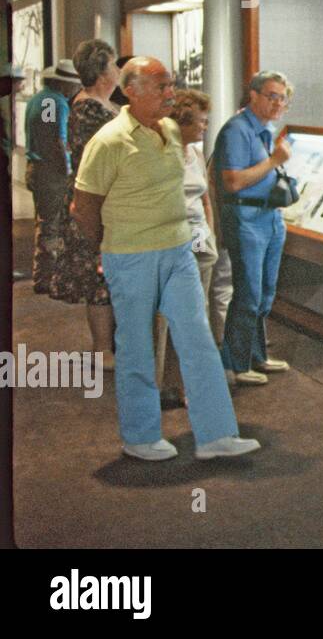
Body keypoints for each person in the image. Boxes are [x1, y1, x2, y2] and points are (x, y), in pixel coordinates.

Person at [71, 56, 259, 461]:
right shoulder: (108, 141)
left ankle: (216, 435)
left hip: (178, 252)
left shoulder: (172, 131)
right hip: (130, 255)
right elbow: (83, 208)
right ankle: (140, 437)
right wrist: (108, 247)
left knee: (198, 339)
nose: (170, 94)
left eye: (171, 85)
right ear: (131, 91)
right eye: (161, 87)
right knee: (136, 345)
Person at [213, 70, 294, 385]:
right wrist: (274, 161)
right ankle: (236, 363)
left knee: (265, 292)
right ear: (254, 96)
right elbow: (232, 182)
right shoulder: (237, 130)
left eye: (282, 98)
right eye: (271, 96)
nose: (277, 103)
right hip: (246, 218)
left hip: (269, 218)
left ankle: (256, 356)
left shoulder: (265, 129)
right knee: (247, 293)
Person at [50, 42, 119, 366]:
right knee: (99, 277)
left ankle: (108, 345)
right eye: (114, 65)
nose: (118, 71)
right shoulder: (90, 108)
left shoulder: (97, 104)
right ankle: (102, 348)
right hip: (94, 203)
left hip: (102, 200)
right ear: (103, 71)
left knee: (106, 274)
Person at [151, 88, 219, 409]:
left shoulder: (195, 152)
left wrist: (210, 236)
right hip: (168, 245)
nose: (205, 127)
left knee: (193, 319)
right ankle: (151, 389)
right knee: (161, 321)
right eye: (201, 121)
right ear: (182, 122)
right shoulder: (161, 153)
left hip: (198, 244)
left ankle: (182, 386)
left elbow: (205, 197)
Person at [24, 59, 79, 293]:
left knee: (45, 221)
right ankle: (46, 279)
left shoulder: (38, 99)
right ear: (64, 84)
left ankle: (43, 275)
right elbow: (58, 138)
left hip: (36, 167)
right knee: (52, 224)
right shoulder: (56, 103)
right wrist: (68, 168)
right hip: (51, 172)